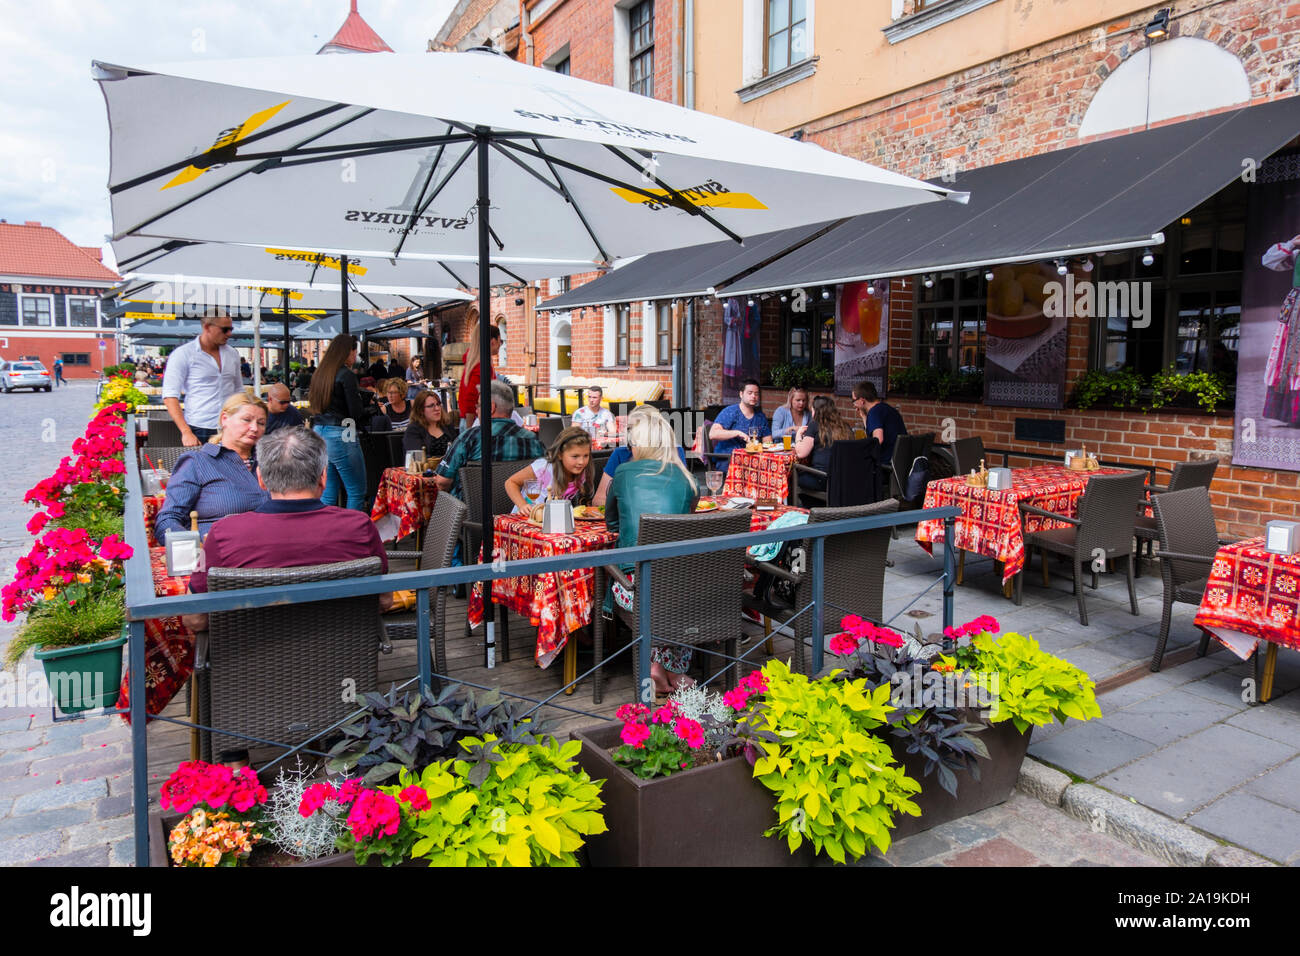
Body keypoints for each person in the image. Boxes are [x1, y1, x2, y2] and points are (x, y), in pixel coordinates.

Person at [181, 427, 391, 633]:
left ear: (260, 479)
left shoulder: (223, 534)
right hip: (345, 662)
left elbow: (195, 618)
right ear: (323, 477)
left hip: (250, 663)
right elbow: (384, 600)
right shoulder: (360, 527)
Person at [604, 408, 700, 694]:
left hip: (633, 588)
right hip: (682, 585)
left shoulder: (622, 472)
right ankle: (673, 670)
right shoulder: (686, 479)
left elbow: (610, 522)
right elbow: (688, 520)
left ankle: (655, 667)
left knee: (650, 588)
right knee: (676, 588)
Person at [154, 393, 271, 539]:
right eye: (246, 420)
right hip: (219, 552)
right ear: (225, 419)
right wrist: (193, 547)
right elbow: (168, 519)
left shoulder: (270, 462)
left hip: (272, 549)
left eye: (261, 423)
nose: (254, 428)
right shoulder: (197, 462)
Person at [435, 379, 545, 499]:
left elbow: (441, 481)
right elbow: (544, 477)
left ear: (491, 407)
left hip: (472, 512)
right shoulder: (533, 441)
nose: (476, 410)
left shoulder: (470, 438)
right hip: (519, 510)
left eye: (478, 405)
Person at [161, 315, 244, 447]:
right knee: (201, 467)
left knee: (231, 466)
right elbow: (170, 395)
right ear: (207, 327)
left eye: (231, 329)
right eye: (225, 329)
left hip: (230, 425)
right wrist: (186, 432)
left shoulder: (232, 353)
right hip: (199, 427)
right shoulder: (184, 354)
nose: (229, 333)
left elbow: (239, 390)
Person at [309, 334, 368, 511]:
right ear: (346, 352)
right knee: (356, 491)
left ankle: (323, 532)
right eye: (354, 352)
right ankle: (351, 535)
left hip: (320, 431)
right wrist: (370, 408)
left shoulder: (321, 373)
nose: (355, 357)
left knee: (329, 491)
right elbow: (355, 413)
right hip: (343, 431)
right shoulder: (346, 375)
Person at [592, 405, 687, 506]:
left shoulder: (673, 451)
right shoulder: (621, 453)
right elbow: (599, 500)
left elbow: (684, 494)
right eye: (630, 429)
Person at [505, 426, 595, 515]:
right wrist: (522, 505)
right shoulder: (544, 468)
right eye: (575, 456)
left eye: (586, 456)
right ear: (559, 454)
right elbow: (511, 482)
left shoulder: (581, 472)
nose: (581, 462)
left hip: (552, 520)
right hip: (525, 519)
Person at [1262, 235, 1300, 423]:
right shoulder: (1297, 253)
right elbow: (1268, 260)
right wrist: (1291, 244)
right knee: (1292, 357)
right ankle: (1293, 413)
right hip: (1297, 310)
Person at [792, 395, 854, 492]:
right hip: (843, 479)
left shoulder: (815, 425)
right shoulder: (845, 427)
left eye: (812, 410)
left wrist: (798, 435)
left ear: (816, 411)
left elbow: (801, 453)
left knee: (793, 475)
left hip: (822, 478)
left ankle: (806, 505)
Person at [708, 378, 770, 474]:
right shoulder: (731, 412)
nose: (753, 396)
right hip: (728, 458)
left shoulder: (760, 416)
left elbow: (768, 441)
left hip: (752, 459)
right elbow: (713, 434)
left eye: (756, 394)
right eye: (750, 393)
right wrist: (737, 433)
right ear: (741, 394)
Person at [457, 319, 501, 429]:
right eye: (501, 341)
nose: (501, 345)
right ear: (493, 341)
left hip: (471, 420)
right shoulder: (481, 366)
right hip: (475, 422)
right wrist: (470, 429)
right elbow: (471, 399)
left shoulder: (474, 362)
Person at [852, 380, 906, 462]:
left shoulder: (874, 412)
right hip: (900, 461)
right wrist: (863, 416)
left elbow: (878, 440)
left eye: (853, 401)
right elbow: (872, 434)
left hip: (886, 461)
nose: (853, 405)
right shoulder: (887, 409)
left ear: (862, 400)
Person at [404, 390, 459, 459]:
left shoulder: (447, 425)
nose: (437, 408)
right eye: (431, 406)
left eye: (438, 404)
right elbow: (417, 458)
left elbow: (458, 450)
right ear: (421, 410)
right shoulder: (413, 430)